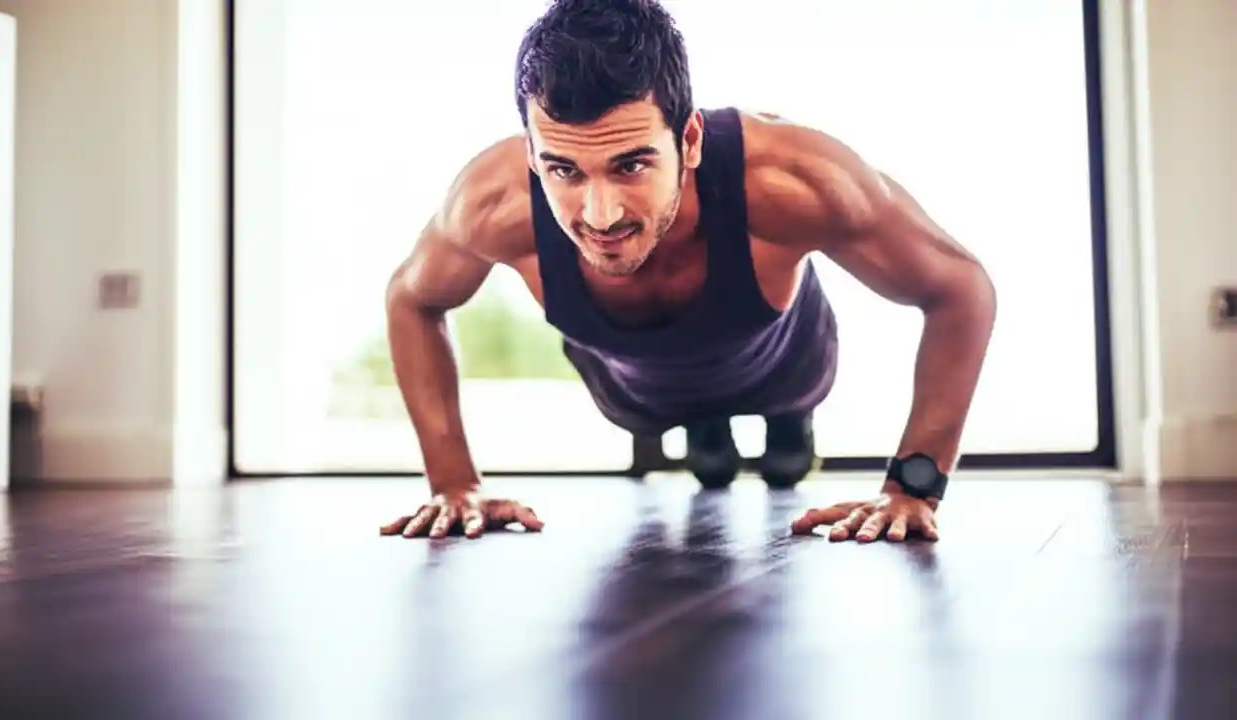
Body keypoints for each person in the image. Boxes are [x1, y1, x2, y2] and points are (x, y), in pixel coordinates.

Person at [379, 0, 996, 543]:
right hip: (638, 395)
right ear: (533, 156)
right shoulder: (492, 205)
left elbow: (959, 288)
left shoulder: (792, 180)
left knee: (784, 462)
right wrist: (452, 482)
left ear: (691, 139)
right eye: (565, 169)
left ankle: (787, 428)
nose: (601, 214)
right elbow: (412, 300)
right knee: (705, 458)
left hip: (785, 366)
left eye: (630, 165)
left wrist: (913, 485)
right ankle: (704, 431)